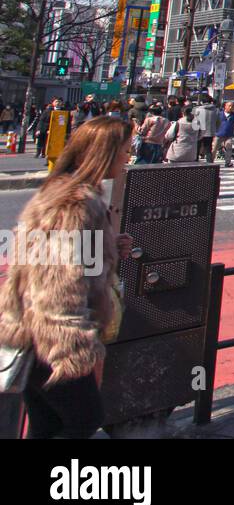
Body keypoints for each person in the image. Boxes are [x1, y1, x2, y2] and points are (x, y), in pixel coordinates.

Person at [0, 115, 136, 438]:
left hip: (36, 331)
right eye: (124, 152)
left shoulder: (70, 192)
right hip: (53, 336)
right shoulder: (76, 201)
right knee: (84, 419)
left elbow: (58, 254)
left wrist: (110, 247)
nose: (127, 159)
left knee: (48, 424)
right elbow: (54, 280)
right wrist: (70, 349)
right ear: (104, 153)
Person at [193, 96, 221, 162]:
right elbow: (218, 122)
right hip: (210, 132)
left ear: (202, 102)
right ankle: (210, 165)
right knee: (208, 150)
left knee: (197, 149)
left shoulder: (198, 109)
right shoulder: (216, 110)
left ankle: (195, 163)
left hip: (199, 132)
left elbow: (195, 121)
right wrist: (215, 129)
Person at [215, 102, 234, 168]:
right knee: (214, 149)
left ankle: (227, 162)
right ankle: (210, 162)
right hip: (218, 134)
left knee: (229, 148)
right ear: (225, 106)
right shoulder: (219, 114)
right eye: (229, 106)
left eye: (232, 106)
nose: (231, 107)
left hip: (229, 135)